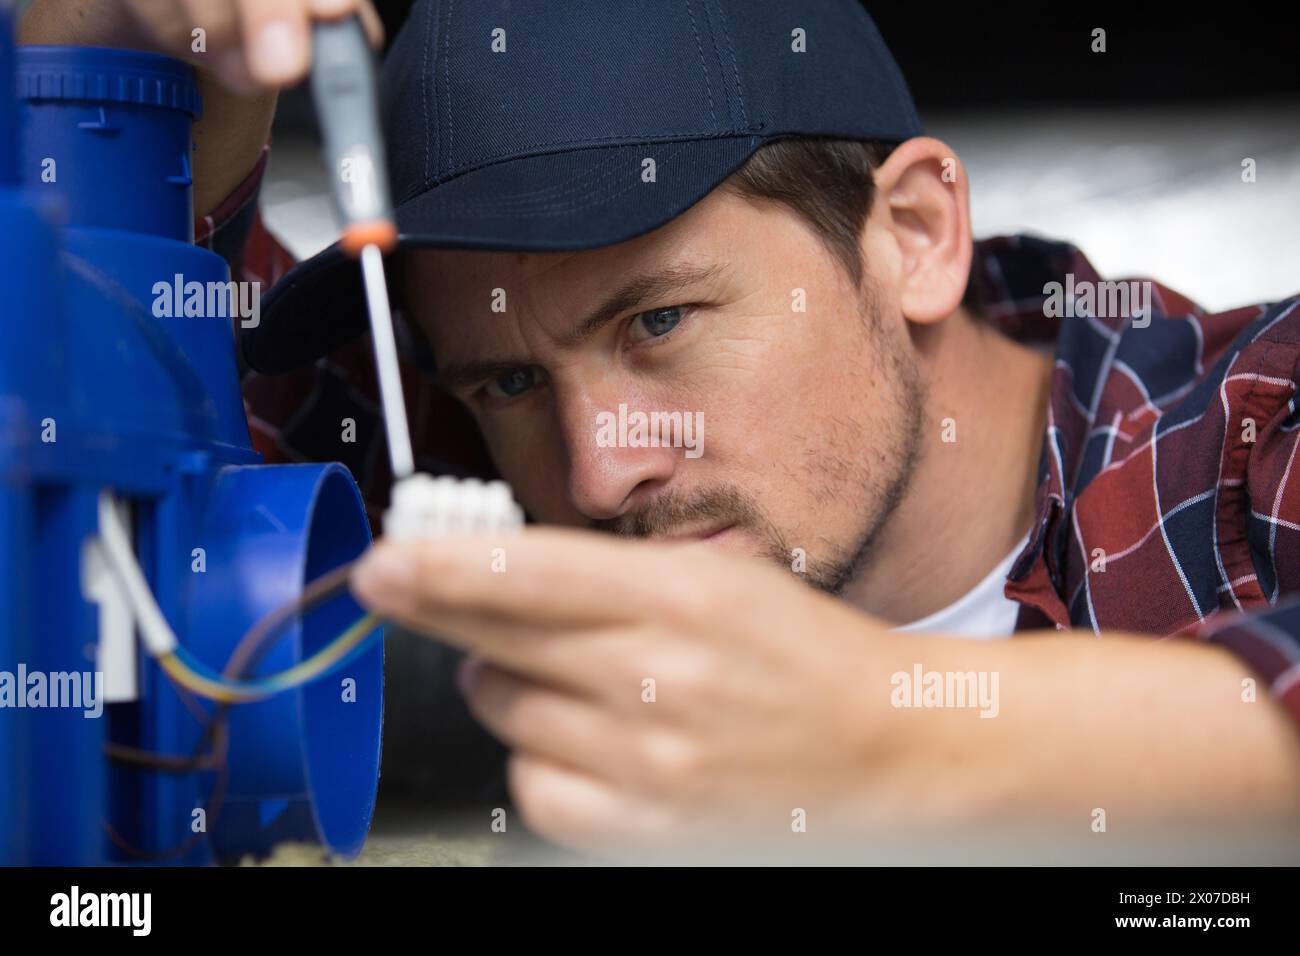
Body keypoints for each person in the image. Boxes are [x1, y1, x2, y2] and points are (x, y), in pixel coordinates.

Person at [24, 0, 1300, 857]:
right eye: (510, 384)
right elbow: (141, 431)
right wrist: (130, 90)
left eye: (659, 323)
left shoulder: (1249, 433)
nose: (597, 469)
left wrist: (892, 735)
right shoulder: (465, 458)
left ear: (910, 234)